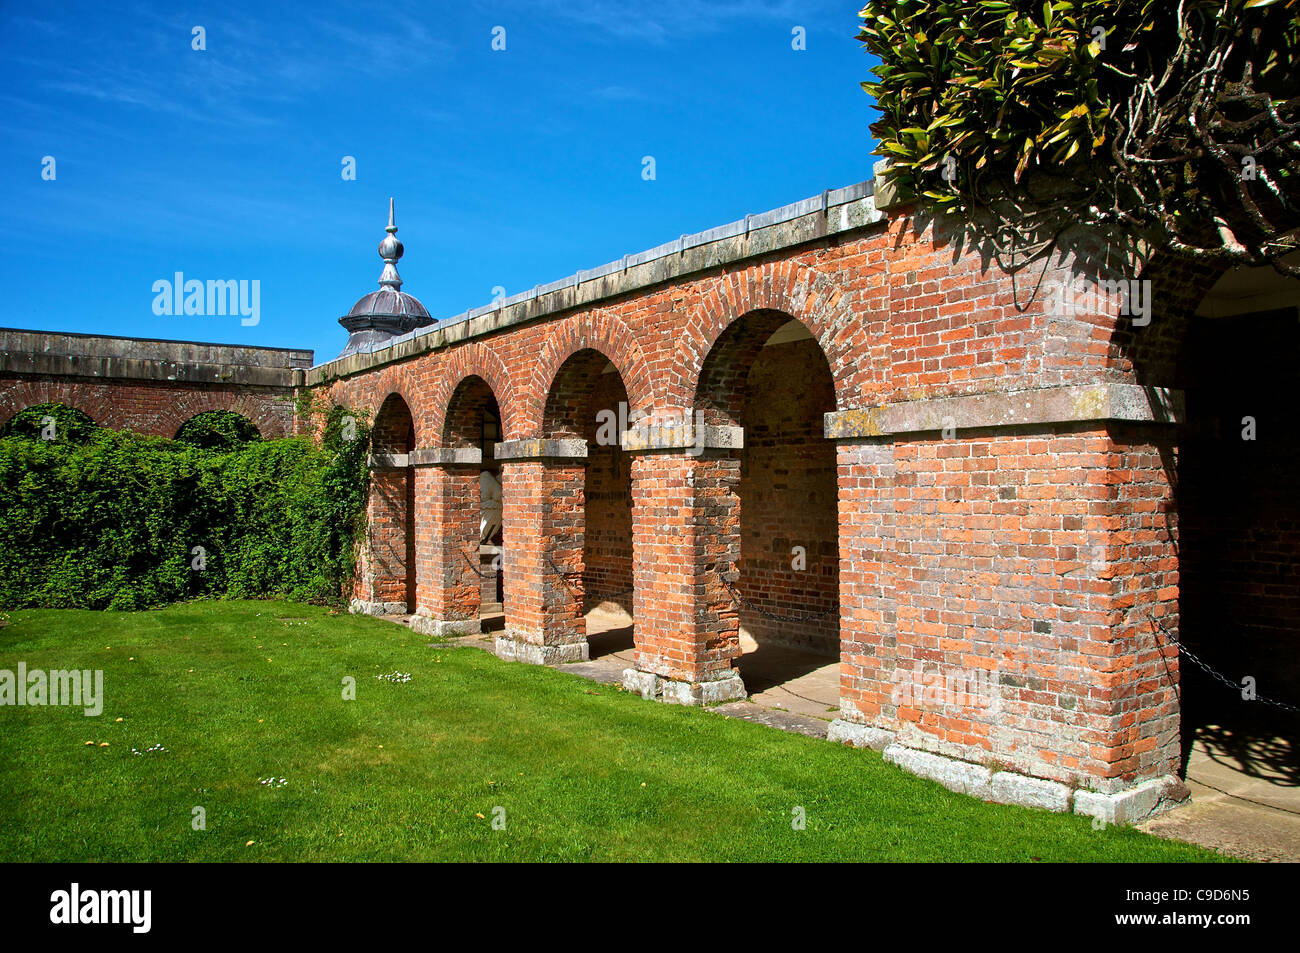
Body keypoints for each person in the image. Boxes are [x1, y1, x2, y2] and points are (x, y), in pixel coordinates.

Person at [479, 469, 502, 543]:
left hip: (494, 511)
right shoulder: (486, 477)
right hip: (489, 510)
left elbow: (484, 496)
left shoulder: (487, 478)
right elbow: (484, 496)